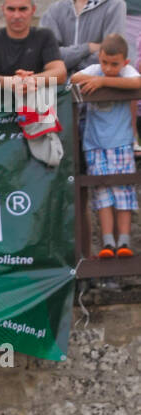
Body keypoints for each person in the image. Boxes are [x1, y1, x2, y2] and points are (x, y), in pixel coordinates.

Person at [71, 35, 140, 260]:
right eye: (104, 63)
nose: (108, 69)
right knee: (102, 196)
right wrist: (97, 76)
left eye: (114, 64)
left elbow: (137, 83)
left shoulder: (125, 73)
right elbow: (74, 78)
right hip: (95, 144)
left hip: (120, 143)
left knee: (123, 194)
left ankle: (124, 241)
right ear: (99, 59)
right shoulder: (95, 69)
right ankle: (108, 241)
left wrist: (103, 82)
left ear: (125, 63)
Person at [0, 0, 67, 94]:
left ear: (33, 10)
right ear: (3, 10)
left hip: (36, 107)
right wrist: (12, 82)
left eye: (23, 9)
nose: (17, 15)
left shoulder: (45, 36)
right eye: (11, 9)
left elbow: (60, 73)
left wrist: (31, 80)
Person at [42, 0, 127, 75]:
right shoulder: (54, 11)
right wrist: (88, 48)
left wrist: (66, 62)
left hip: (97, 84)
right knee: (26, 88)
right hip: (60, 85)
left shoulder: (114, 6)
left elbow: (113, 56)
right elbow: (46, 57)